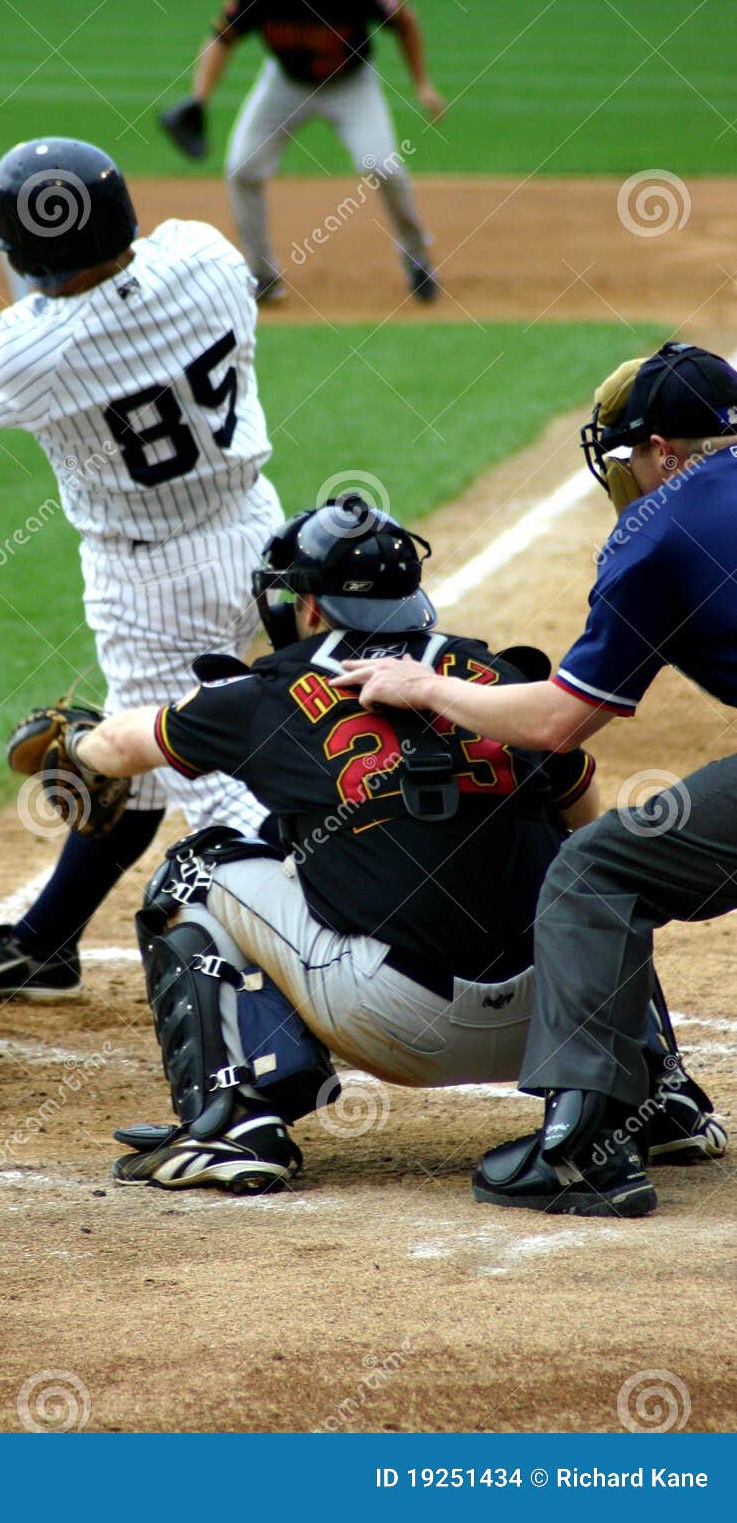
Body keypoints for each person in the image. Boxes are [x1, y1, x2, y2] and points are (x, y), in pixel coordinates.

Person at [41, 494, 719, 1196]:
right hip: (556, 1024)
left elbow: (121, 747)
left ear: (307, 608)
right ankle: (653, 1095)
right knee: (593, 876)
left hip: (392, 1021)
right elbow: (580, 810)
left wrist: (72, 744)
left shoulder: (265, 694)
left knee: (198, 865)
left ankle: (233, 1121)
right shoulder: (495, 677)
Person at [340, 342, 736, 1216]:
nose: (626, 471)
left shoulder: (658, 528)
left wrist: (425, 686)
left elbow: (560, 721)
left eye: (630, 453)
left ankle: (582, 1149)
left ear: (663, 450)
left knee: (598, 870)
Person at [0, 136, 281, 1003]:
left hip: (151, 582)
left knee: (211, 786)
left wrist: (31, 291)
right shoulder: (207, 253)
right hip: (260, 537)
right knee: (133, 761)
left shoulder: (23, 358)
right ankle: (43, 942)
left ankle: (320, 965)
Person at [159, 0, 444, 305]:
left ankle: (417, 259)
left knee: (383, 168)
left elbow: (405, 21)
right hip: (285, 84)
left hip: (351, 84)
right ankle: (261, 275)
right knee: (242, 169)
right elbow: (221, 37)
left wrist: (422, 82)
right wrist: (199, 97)